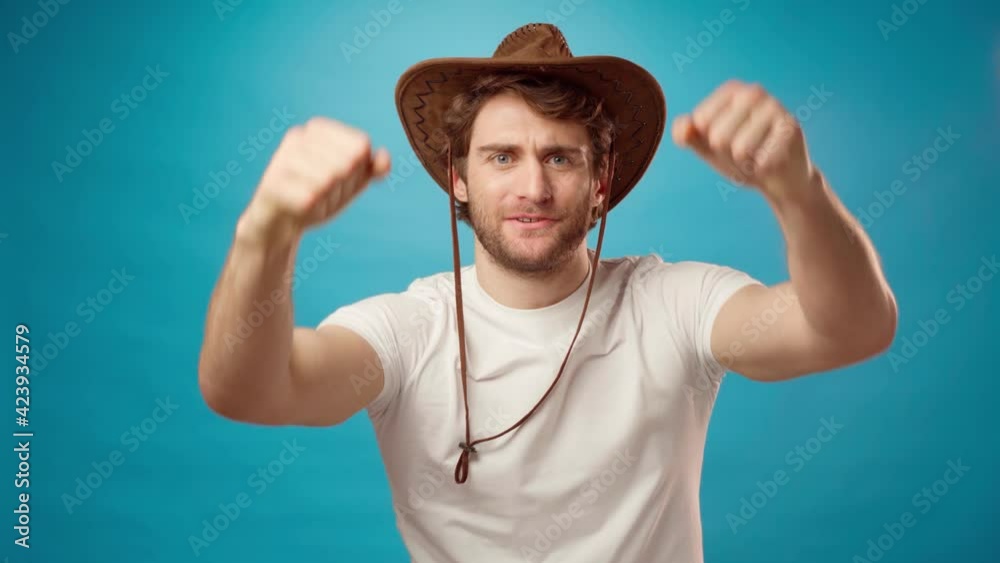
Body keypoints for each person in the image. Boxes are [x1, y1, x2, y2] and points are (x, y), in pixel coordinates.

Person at [197, 22, 897, 563]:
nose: (532, 187)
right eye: (502, 156)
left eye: (559, 157)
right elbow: (249, 389)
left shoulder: (674, 304)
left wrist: (797, 192)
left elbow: (852, 328)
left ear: (600, 183)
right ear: (459, 178)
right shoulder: (410, 329)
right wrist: (267, 232)